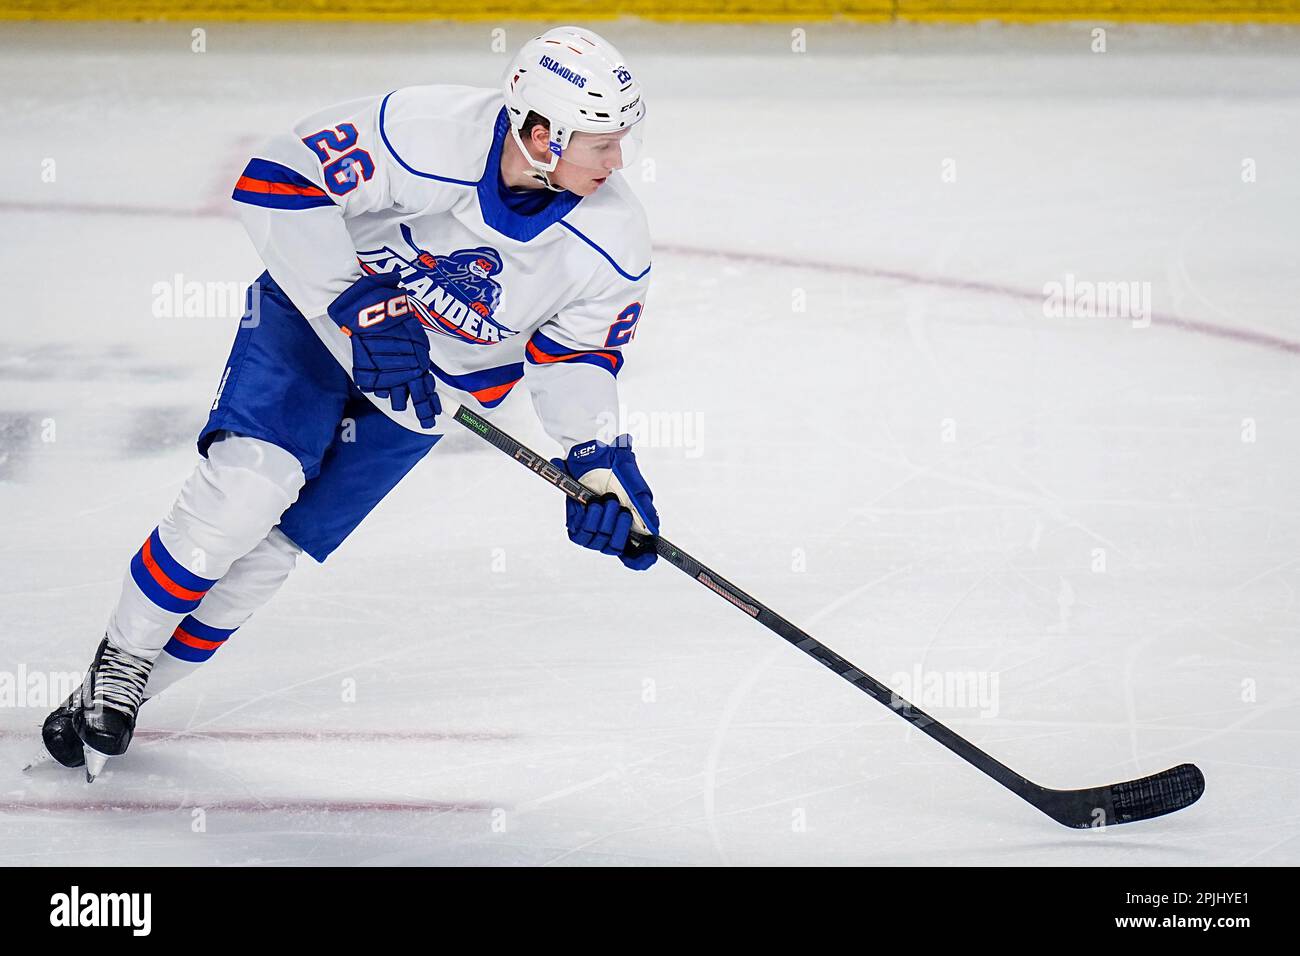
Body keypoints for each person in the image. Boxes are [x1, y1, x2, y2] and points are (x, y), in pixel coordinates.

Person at [35, 25, 660, 781]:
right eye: (601, 142)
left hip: (424, 396)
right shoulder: (423, 132)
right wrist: (356, 302)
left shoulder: (613, 242)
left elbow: (577, 359)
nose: (618, 161)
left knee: (274, 553)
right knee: (246, 491)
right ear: (540, 131)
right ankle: (126, 653)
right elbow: (277, 177)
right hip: (310, 323)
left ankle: (115, 696)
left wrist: (596, 464)